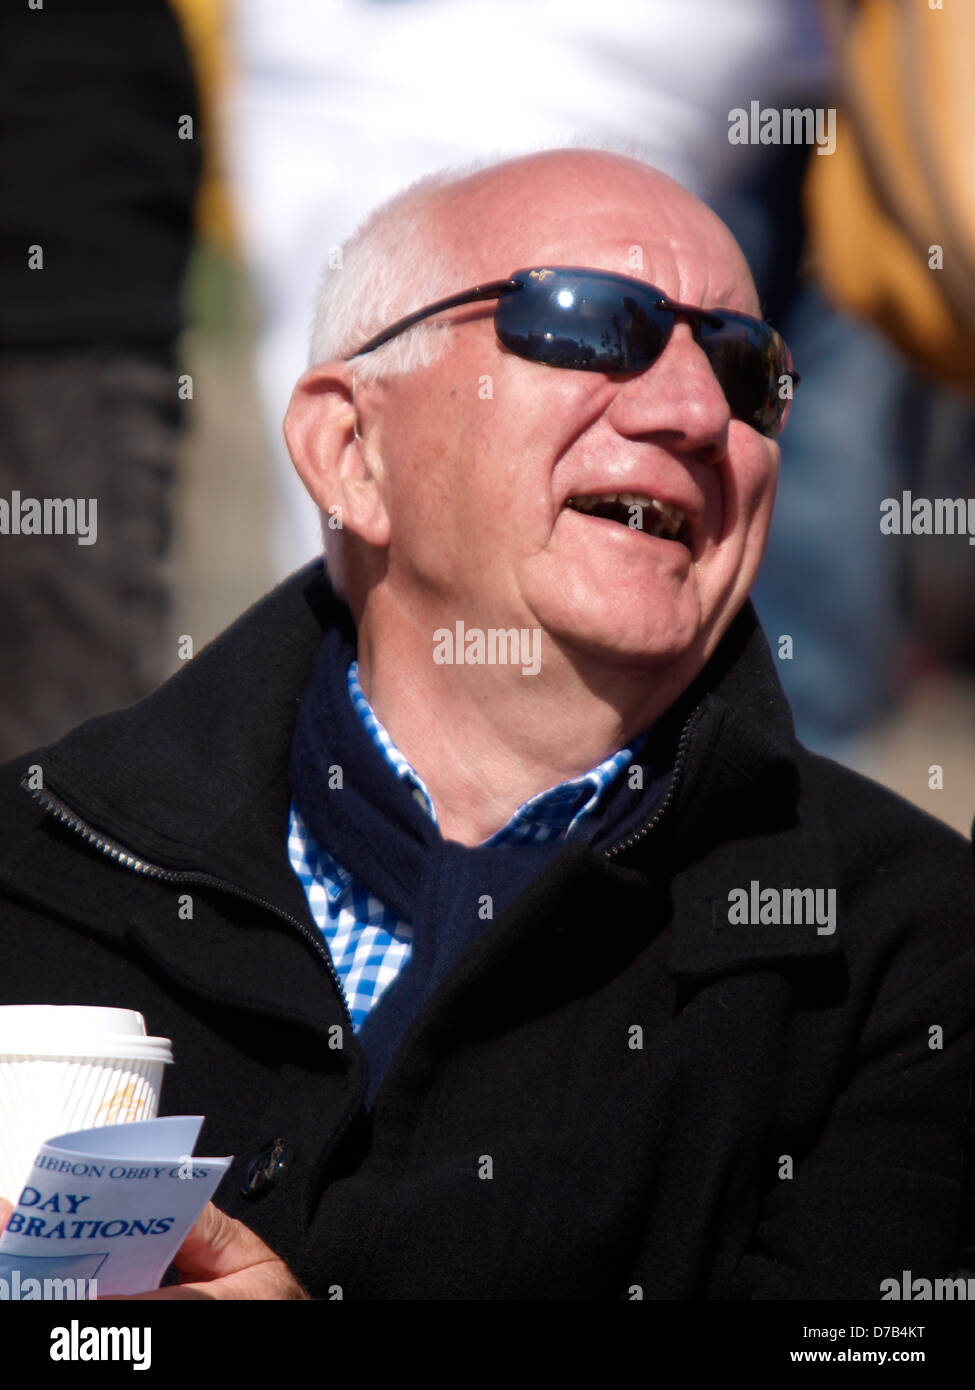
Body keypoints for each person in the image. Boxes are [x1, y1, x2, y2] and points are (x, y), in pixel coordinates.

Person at [1, 150, 973, 1301]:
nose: (695, 410)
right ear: (351, 453)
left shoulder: (917, 957)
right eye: (586, 323)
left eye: (744, 366)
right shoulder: (39, 862)